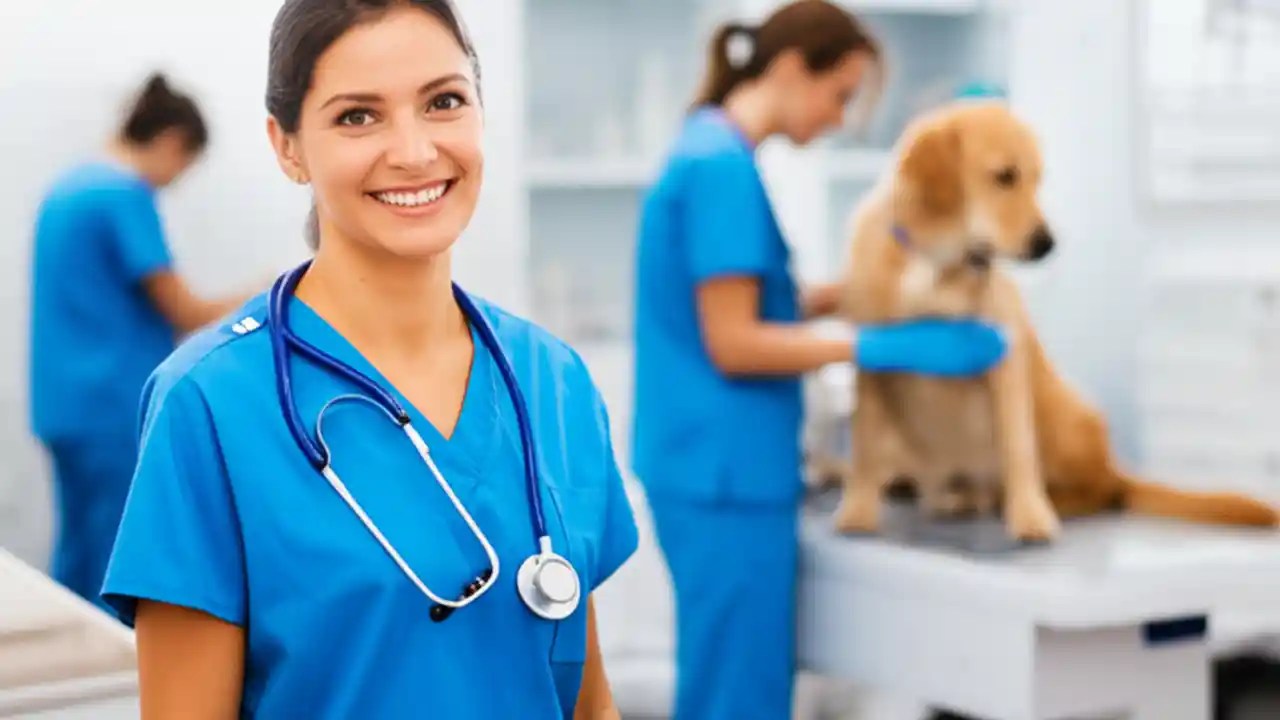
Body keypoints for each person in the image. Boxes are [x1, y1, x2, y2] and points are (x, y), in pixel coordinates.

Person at [99, 1, 638, 718]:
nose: (414, 152)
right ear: (288, 147)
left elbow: (589, 704)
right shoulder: (209, 405)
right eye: (358, 116)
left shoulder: (554, 382)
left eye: (444, 101)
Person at [630, 2, 1009, 718]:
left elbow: (753, 302)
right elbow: (735, 340)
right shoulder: (721, 169)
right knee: (737, 699)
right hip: (726, 476)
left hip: (710, 468)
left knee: (730, 683)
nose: (840, 119)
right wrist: (886, 346)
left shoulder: (709, 151)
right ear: (791, 67)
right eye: (840, 95)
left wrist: (857, 293)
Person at [28, 72, 249, 610]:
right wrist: (264, 293)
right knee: (117, 561)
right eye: (184, 166)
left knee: (78, 553)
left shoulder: (70, 188)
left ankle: (78, 682)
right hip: (110, 406)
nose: (175, 180)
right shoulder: (123, 195)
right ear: (173, 142)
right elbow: (182, 309)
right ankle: (121, 686)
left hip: (63, 406)